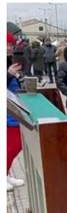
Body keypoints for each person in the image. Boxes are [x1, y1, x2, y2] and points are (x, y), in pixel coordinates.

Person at [6, 31, 25, 191]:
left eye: (12, 45)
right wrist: (8, 75)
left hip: (13, 107)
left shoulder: (8, 60)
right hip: (7, 112)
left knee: (13, 144)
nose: (11, 48)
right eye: (8, 44)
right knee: (13, 144)